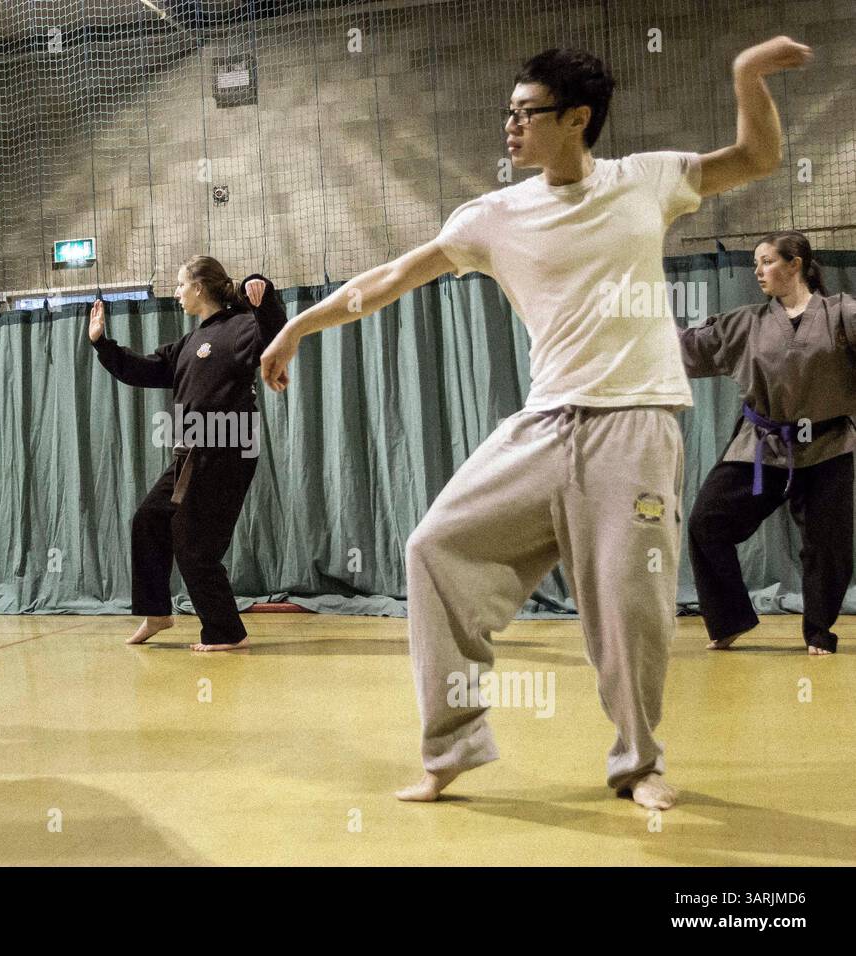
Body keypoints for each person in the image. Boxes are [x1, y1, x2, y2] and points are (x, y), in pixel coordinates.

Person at [260, 38, 813, 809]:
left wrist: (747, 76)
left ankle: (640, 763)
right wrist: (296, 329)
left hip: (635, 425)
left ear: (577, 119)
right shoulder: (491, 215)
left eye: (527, 113)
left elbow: (755, 156)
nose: (510, 127)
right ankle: (451, 746)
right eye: (509, 113)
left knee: (630, 604)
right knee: (435, 548)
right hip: (546, 424)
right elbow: (387, 279)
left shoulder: (647, 180)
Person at [88, 257, 284, 651]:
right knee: (149, 520)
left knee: (195, 545)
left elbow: (275, 334)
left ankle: (227, 632)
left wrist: (260, 288)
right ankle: (157, 612)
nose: (176, 293)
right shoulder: (188, 343)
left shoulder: (241, 327)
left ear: (199, 287)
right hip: (191, 453)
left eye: (180, 285)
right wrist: (101, 344)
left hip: (229, 449)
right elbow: (142, 370)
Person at [682, 230, 856, 656]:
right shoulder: (746, 323)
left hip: (828, 446)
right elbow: (685, 348)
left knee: (826, 545)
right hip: (763, 446)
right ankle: (730, 620)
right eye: (756, 264)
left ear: (795, 264)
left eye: (767, 262)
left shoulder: (842, 313)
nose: (758, 271)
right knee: (707, 522)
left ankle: (819, 632)